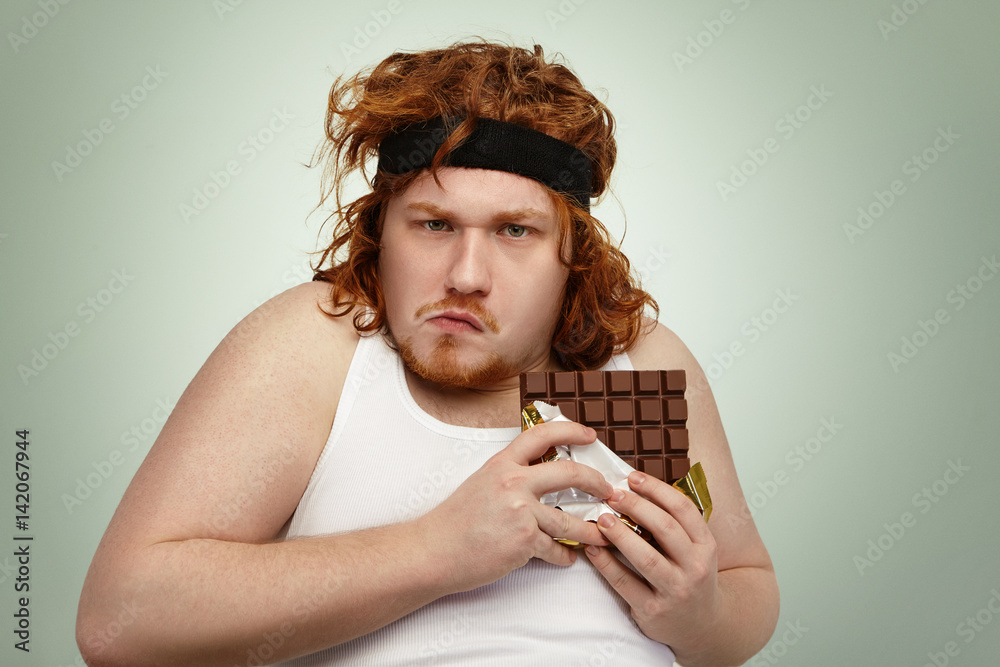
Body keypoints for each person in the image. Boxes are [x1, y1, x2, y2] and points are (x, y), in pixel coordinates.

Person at [77, 39, 778, 666]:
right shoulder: (328, 345)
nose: (466, 275)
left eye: (515, 231)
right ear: (383, 230)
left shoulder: (635, 368)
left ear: (574, 254)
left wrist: (702, 619)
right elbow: (119, 621)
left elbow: (748, 584)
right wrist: (435, 551)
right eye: (435, 223)